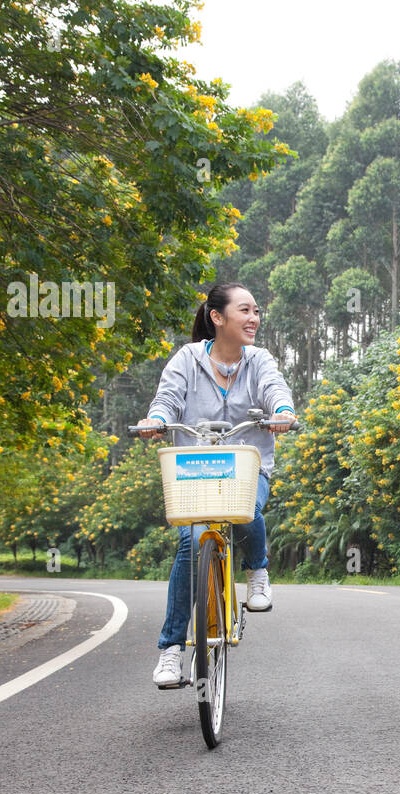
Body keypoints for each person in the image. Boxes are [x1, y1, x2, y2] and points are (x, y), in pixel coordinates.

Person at [135, 282, 296, 686]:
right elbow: (167, 399)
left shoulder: (259, 360)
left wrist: (282, 410)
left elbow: (275, 390)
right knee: (190, 543)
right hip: (195, 471)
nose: (254, 319)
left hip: (246, 469)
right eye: (245, 311)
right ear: (218, 317)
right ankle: (172, 650)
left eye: (257, 311)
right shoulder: (187, 359)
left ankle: (257, 570)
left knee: (246, 510)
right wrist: (156, 420)